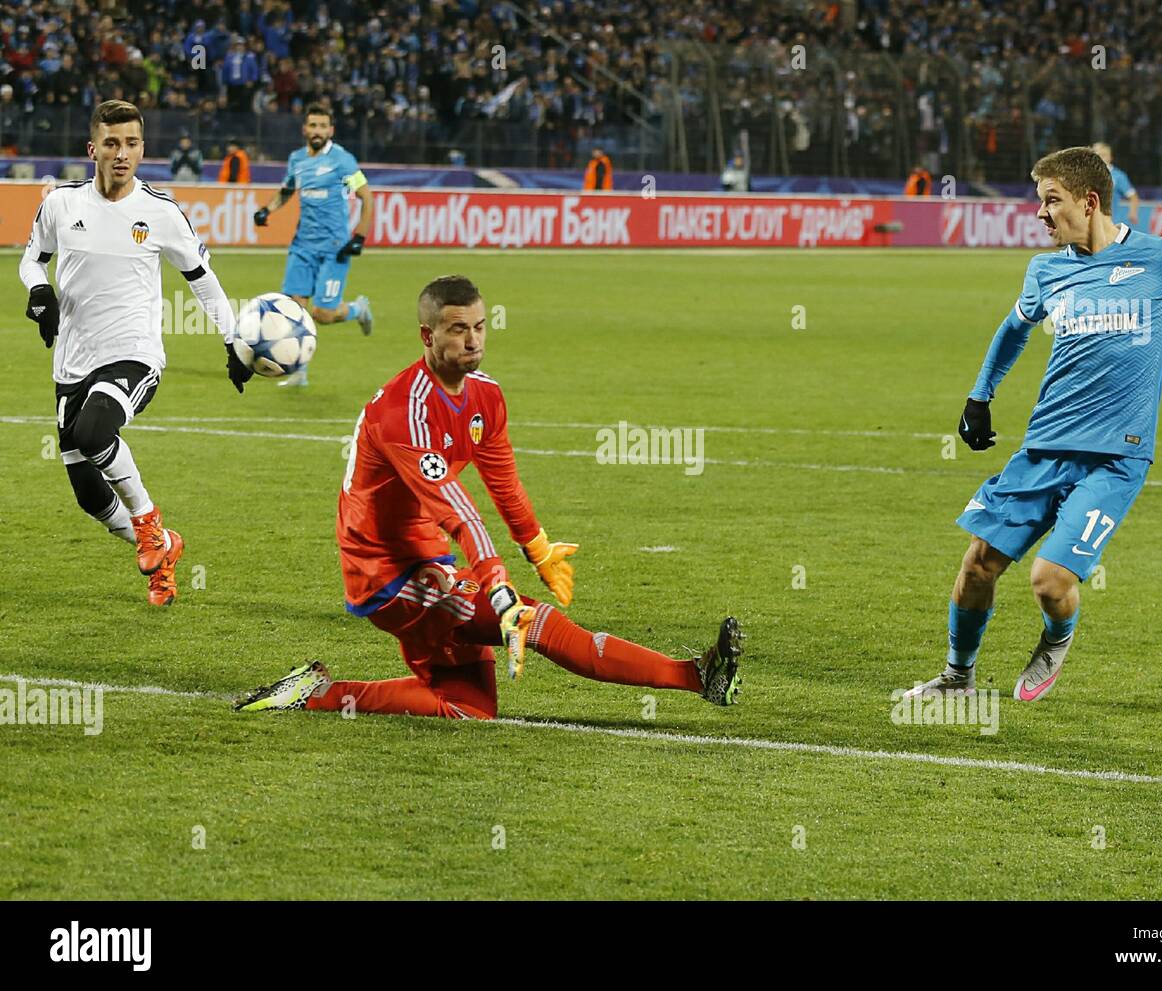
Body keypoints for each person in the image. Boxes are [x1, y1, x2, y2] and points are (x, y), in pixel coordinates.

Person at [234, 275, 743, 716]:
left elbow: (502, 480)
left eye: (478, 327)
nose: (472, 340)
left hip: (425, 553)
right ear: (427, 336)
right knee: (536, 620)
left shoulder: (485, 394)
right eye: (458, 329)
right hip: (384, 571)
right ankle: (699, 677)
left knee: (467, 706)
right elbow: (459, 511)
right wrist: (498, 589)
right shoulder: (402, 412)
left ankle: (316, 693)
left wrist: (536, 545)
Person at [907, 147, 1162, 702]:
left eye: (1051, 201)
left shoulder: (1160, 258)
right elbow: (1012, 330)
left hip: (1115, 458)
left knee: (1049, 581)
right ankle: (956, 679)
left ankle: (1056, 636)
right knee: (977, 566)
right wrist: (980, 397)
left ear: (1089, 202)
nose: (1040, 214)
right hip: (1044, 448)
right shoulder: (1046, 268)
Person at [18, 100, 249, 607]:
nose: (122, 154)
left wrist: (232, 339)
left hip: (133, 353)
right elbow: (31, 260)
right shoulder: (60, 204)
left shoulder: (160, 212)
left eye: (131, 144)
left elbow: (201, 279)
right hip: (72, 361)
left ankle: (149, 524)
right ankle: (163, 551)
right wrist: (39, 292)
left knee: (94, 432)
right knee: (86, 492)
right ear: (92, 148)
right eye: (111, 143)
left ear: (142, 148)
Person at [252, 104, 374, 386]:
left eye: (323, 126)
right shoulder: (296, 159)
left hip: (334, 248)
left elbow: (367, 197)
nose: (317, 131)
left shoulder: (343, 160)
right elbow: (286, 191)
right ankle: (299, 372)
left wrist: (359, 237)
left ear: (330, 130)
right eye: (313, 125)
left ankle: (358, 309)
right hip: (302, 246)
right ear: (304, 129)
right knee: (295, 313)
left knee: (323, 314)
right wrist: (267, 211)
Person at [1092, 142, 1140, 227]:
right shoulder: (1087, 175)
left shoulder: (1118, 176)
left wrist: (1132, 212)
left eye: (1103, 155)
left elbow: (1133, 196)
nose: (1100, 158)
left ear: (1110, 157)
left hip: (1110, 223)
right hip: (1090, 223)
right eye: (1097, 155)